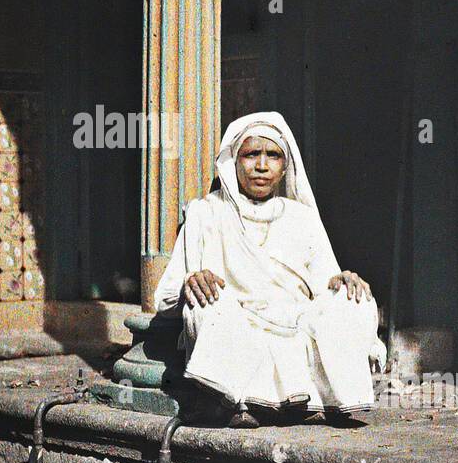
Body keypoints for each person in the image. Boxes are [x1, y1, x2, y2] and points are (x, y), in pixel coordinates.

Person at [153, 111, 385, 425]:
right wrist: (190, 283)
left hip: (294, 322)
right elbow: (165, 301)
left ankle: (323, 400)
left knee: (353, 299)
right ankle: (236, 402)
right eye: (251, 154)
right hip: (237, 321)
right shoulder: (205, 213)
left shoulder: (301, 217)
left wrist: (345, 281)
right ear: (233, 161)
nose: (262, 165)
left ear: (284, 165)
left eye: (272, 155)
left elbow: (325, 287)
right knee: (208, 304)